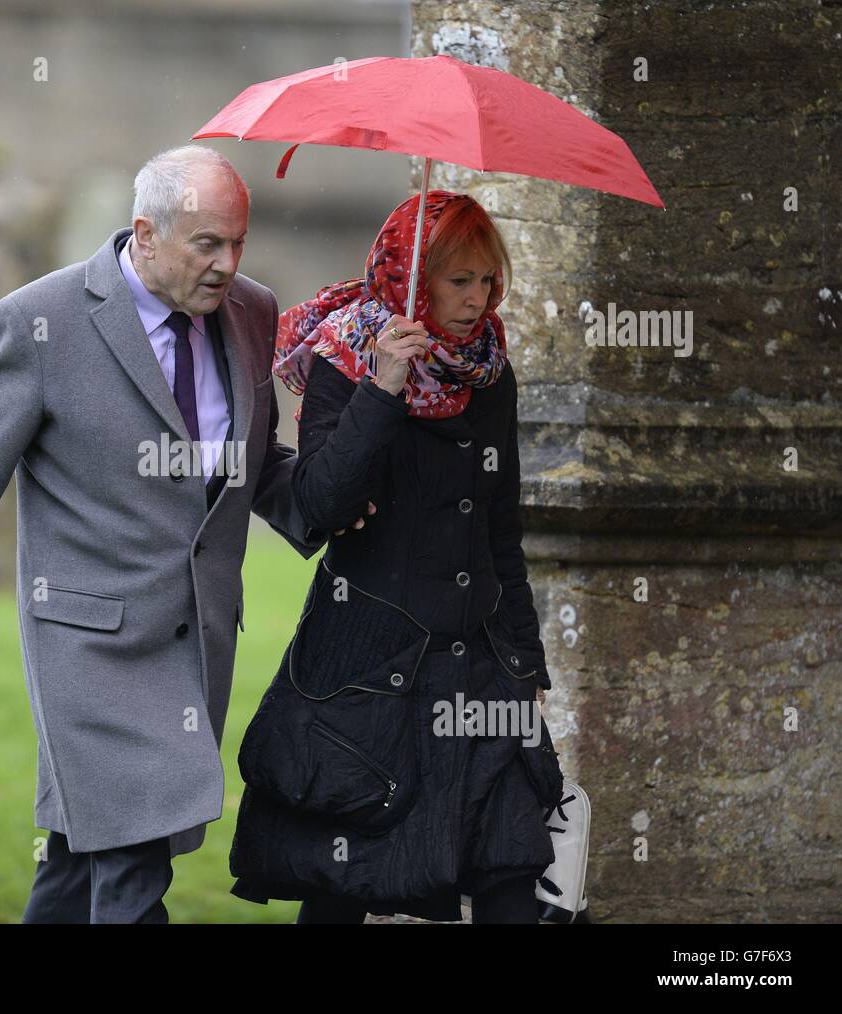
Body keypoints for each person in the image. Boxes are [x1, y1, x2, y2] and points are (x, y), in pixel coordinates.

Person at [0, 144, 366, 923]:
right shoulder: (42, 321)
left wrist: (340, 497)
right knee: (133, 870)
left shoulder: (253, 313)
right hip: (88, 650)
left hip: (193, 640)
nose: (227, 262)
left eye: (238, 242)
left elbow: (256, 466)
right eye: (208, 243)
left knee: (78, 864)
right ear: (147, 232)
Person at [228, 189, 564, 924]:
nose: (478, 300)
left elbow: (500, 528)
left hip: (478, 666)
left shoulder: (487, 369)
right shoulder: (345, 356)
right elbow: (320, 506)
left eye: (487, 280)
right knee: (343, 885)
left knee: (511, 872)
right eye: (458, 281)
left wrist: (526, 663)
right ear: (409, 275)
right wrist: (382, 388)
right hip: (363, 672)